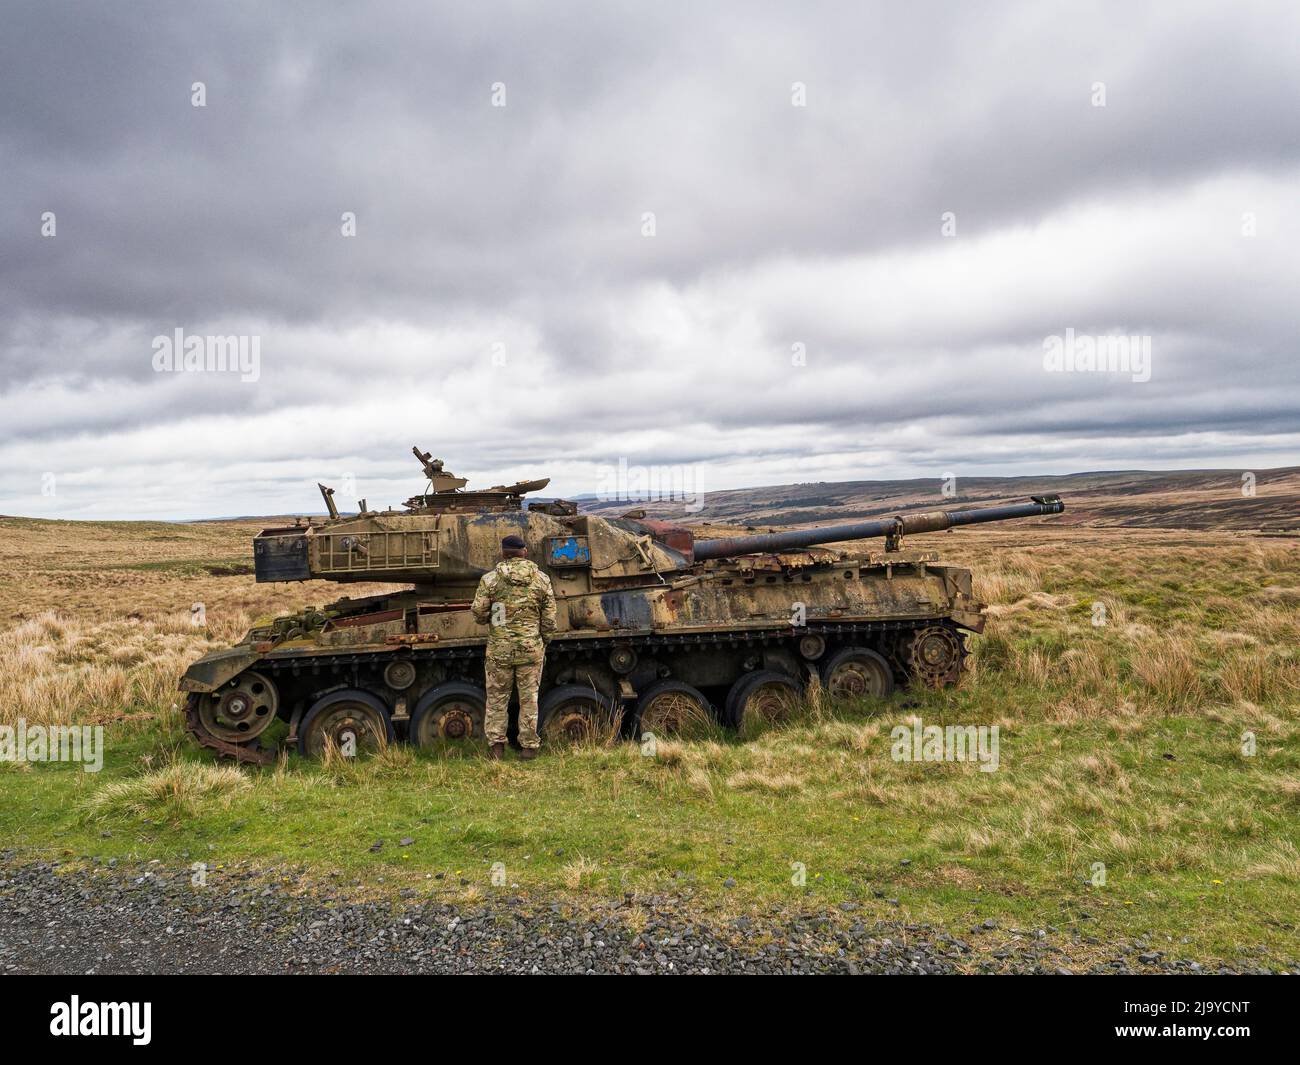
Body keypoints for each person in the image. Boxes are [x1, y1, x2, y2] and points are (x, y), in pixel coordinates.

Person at [471, 534, 556, 760]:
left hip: (500, 650)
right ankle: (529, 748)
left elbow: (478, 613)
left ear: (503, 553)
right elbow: (549, 620)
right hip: (531, 649)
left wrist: (494, 620)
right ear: (524, 552)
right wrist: (543, 640)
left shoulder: (490, 580)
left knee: (498, 699)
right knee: (529, 699)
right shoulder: (542, 580)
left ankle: (497, 749)